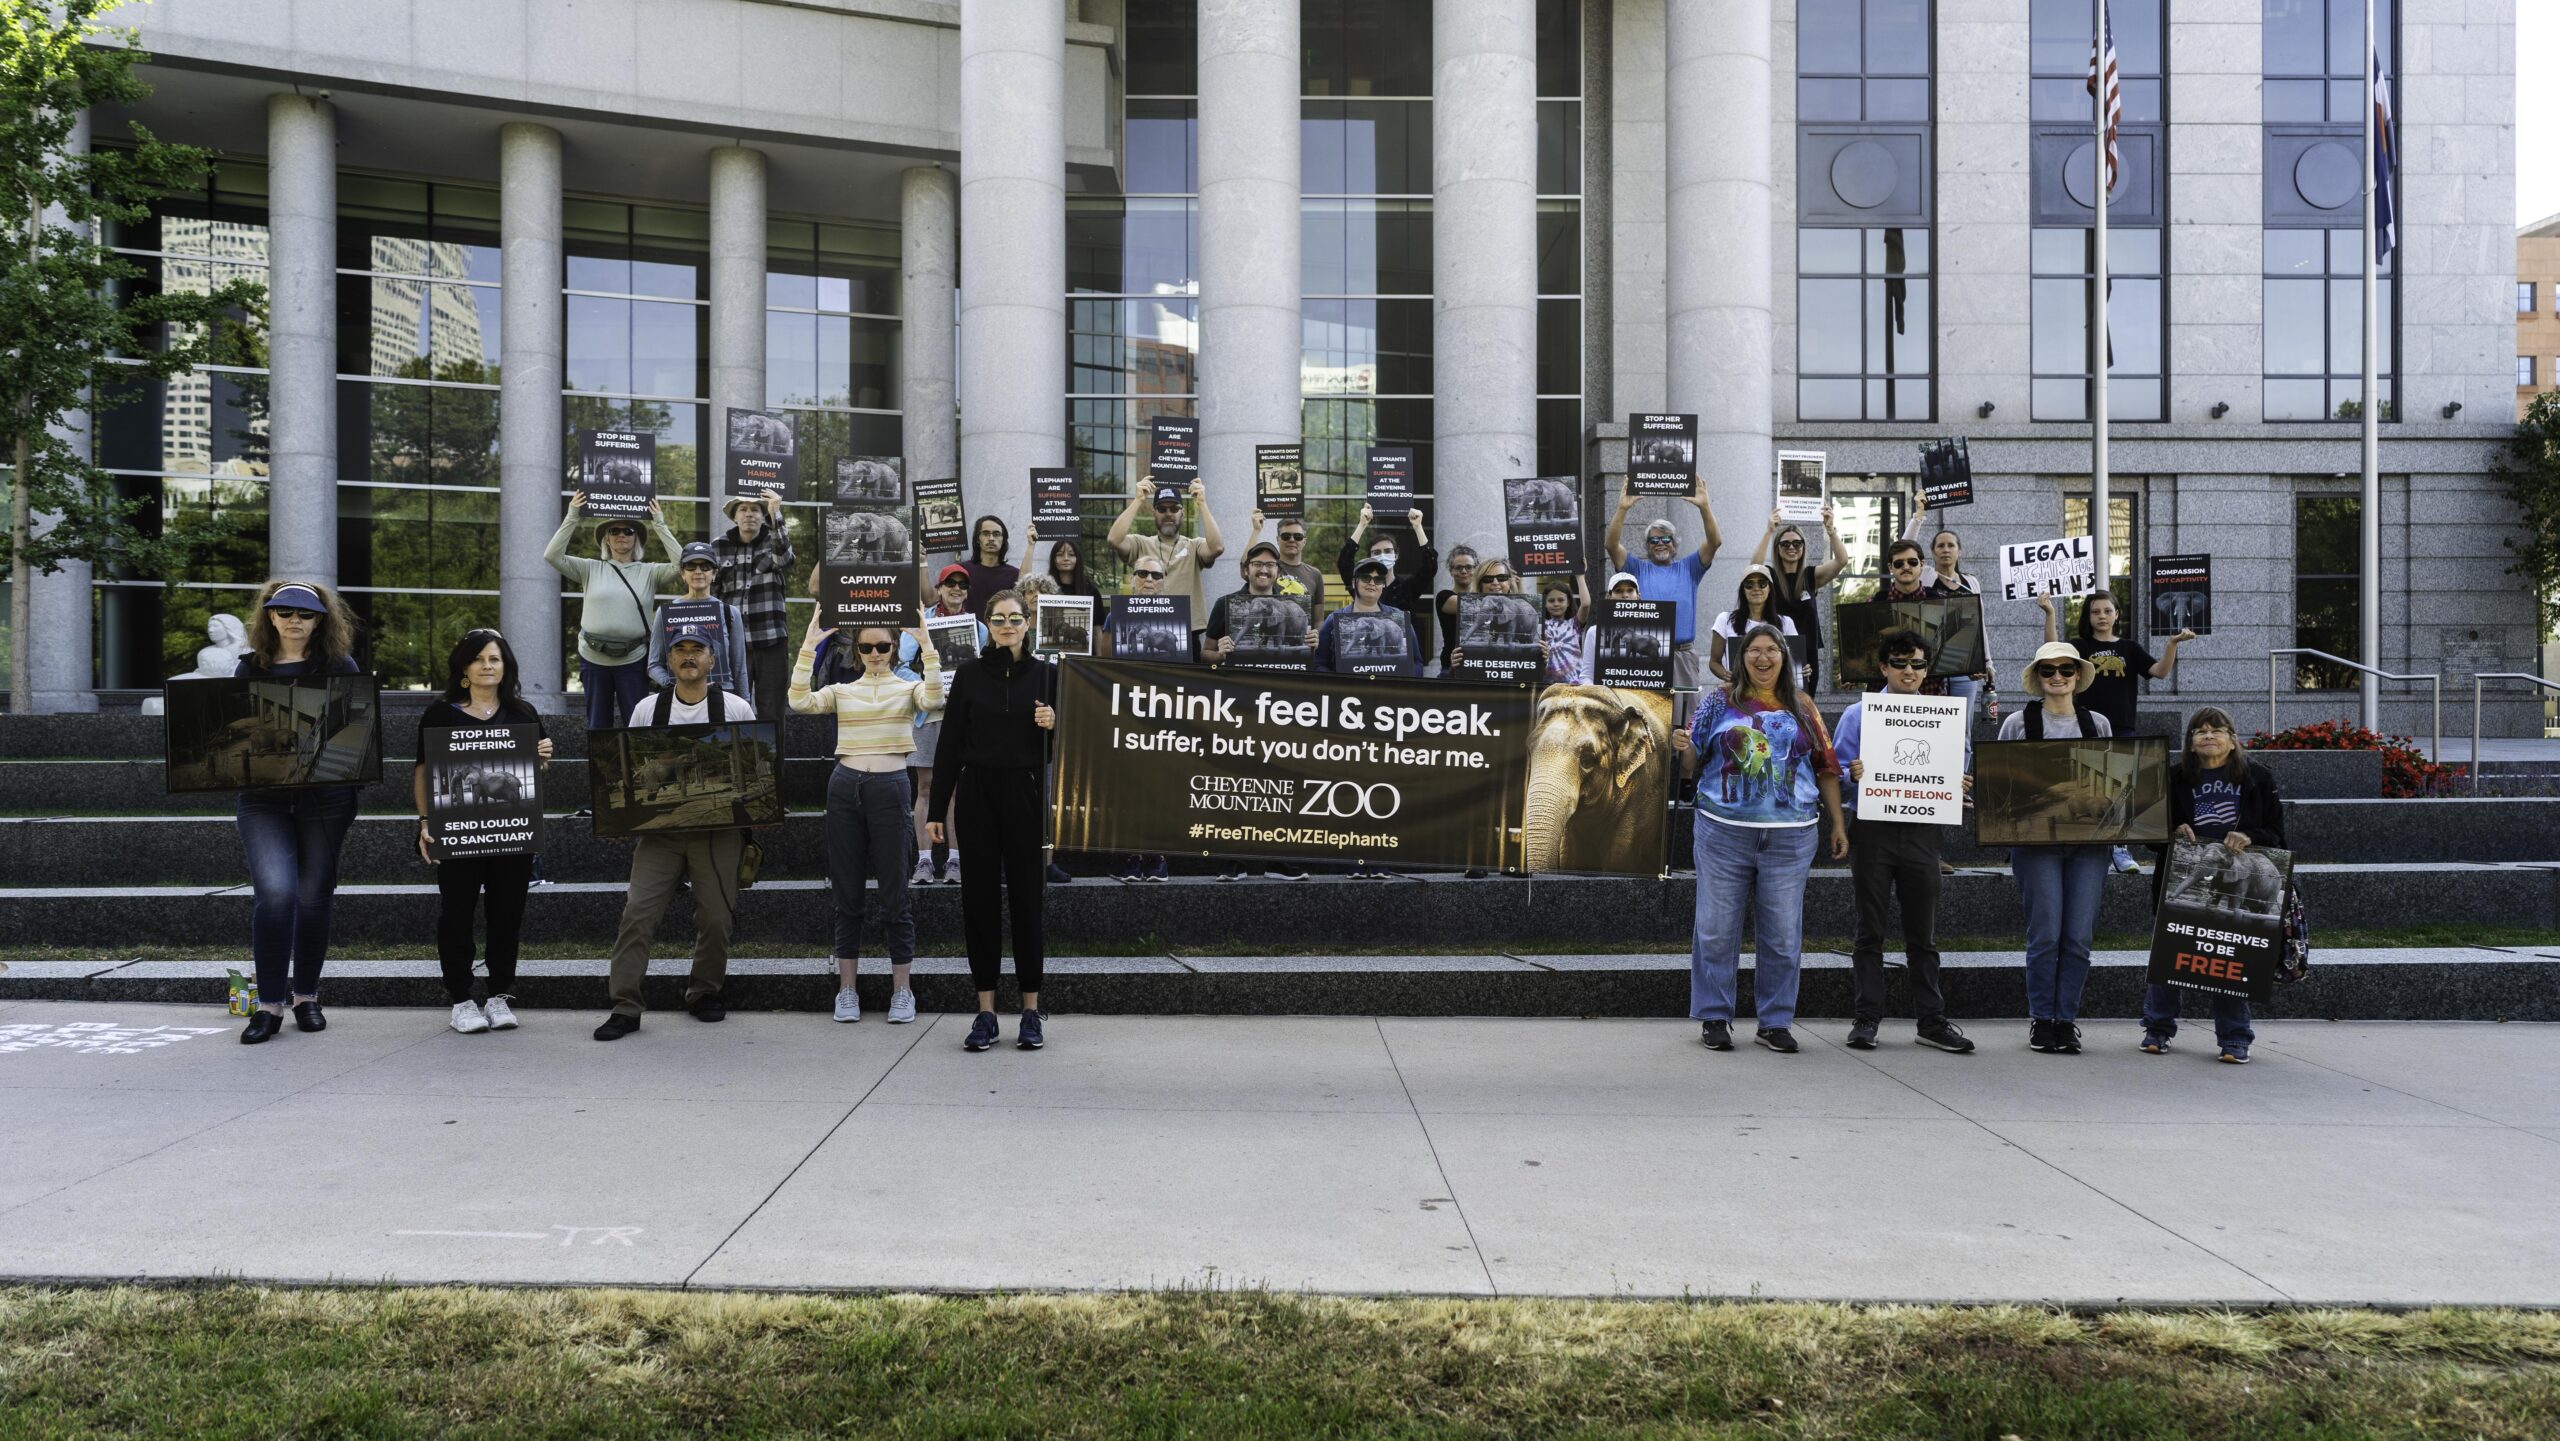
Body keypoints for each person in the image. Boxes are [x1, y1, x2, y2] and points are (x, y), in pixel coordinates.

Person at [1672, 622, 1848, 1055]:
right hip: (1722, 833)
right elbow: (1690, 766)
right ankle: (1715, 1016)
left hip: (1791, 838)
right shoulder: (1717, 702)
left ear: (1784, 658)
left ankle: (1775, 1021)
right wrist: (1681, 746)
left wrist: (1838, 822)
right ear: (1741, 656)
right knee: (1714, 929)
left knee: (1783, 935)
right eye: (1755, 650)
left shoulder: (1802, 706)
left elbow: (1826, 767)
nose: (1763, 658)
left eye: (1772, 650)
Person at [592, 625, 758, 1042]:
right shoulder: (648, 708)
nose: (688, 656)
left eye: (697, 650)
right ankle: (625, 1006)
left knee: (717, 918)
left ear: (712, 660)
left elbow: (756, 769)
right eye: (679, 650)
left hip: (720, 831)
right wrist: (619, 818)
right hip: (659, 834)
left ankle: (704, 993)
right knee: (637, 914)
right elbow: (628, 772)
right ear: (668, 662)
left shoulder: (736, 707)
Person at [792, 604, 944, 1026]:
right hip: (845, 785)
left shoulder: (907, 687)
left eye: (883, 645)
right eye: (867, 646)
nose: (875, 652)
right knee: (847, 894)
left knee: (896, 892)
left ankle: (902, 991)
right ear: (857, 651)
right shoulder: (843, 690)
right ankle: (847, 990)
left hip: (891, 785)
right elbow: (799, 701)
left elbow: (935, 698)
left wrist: (927, 642)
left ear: (894, 648)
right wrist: (808, 646)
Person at [232, 580, 367, 1045]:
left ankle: (306, 997)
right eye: (284, 611)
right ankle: (268, 1005)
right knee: (275, 894)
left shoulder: (340, 666)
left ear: (319, 620)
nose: (294, 620)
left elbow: (356, 734)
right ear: (269, 617)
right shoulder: (249, 667)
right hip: (263, 799)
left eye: (304, 614)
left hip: (326, 797)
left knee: (313, 898)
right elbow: (230, 731)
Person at [1830, 627, 1974, 1054]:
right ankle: (1866, 1018)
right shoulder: (1859, 715)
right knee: (1869, 930)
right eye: (1900, 663)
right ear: (1883, 668)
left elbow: (1957, 771)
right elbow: (1835, 771)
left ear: (1926, 669)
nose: (1909, 671)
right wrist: (1850, 774)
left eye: (1917, 664)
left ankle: (1931, 1020)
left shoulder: (1945, 717)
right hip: (1872, 828)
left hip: (1922, 833)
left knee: (1922, 934)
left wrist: (1960, 783)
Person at [929, 590, 1059, 1052]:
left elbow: (1071, 744)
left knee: (1027, 902)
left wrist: (1053, 723)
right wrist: (935, 809)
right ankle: (985, 1012)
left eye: (1016, 618)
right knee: (978, 903)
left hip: (1024, 791)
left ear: (1028, 624)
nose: (1007, 625)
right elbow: (948, 746)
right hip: (977, 794)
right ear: (986, 623)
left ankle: (1029, 1010)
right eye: (999, 618)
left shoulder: (1047, 675)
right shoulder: (967, 674)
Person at [415, 628, 553, 1035]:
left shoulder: (523, 713)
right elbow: (423, 771)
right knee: (456, 915)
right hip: (457, 835)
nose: (487, 666)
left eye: (495, 659)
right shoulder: (440, 713)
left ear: (505, 665)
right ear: (463, 667)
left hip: (510, 834)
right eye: (479, 659)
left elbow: (534, 774)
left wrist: (542, 758)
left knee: (507, 914)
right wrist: (426, 823)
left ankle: (498, 994)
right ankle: (461, 999)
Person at [2143, 706, 2285, 1065]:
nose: (2208, 736)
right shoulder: (2172, 779)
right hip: (2186, 868)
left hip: (2242, 875)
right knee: (2169, 958)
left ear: (2233, 741)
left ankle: (2235, 1038)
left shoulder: (2258, 778)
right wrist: (2172, 831)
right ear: (2190, 744)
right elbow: (2148, 836)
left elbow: (2278, 836)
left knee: (2229, 961)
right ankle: (2157, 1030)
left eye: (2217, 730)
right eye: (2200, 731)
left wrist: (2250, 836)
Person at [1998, 640, 2112, 1056]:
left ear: (2078, 677)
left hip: (2088, 844)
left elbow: (2110, 779)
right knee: (2044, 934)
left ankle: (2067, 1020)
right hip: (2035, 843)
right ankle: (2042, 1019)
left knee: (2078, 936)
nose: (2058, 678)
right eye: (2049, 671)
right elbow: (2003, 781)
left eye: (2066, 670)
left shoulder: (2097, 722)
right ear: (2039, 678)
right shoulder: (2016, 723)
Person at [2038, 588, 2195, 873]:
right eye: (2096, 611)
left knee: (2122, 789)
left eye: (2107, 611)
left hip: (2122, 728)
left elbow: (2159, 671)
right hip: (2086, 727)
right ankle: (2085, 841)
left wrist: (2172, 643)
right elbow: (2053, 652)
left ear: (2117, 615)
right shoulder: (2080, 646)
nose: (2102, 616)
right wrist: (2050, 613)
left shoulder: (2129, 648)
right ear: (2088, 616)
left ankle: (2119, 846)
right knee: (2088, 787)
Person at [545, 496, 684, 728]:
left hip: (634, 658)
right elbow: (552, 555)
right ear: (606, 539)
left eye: (628, 531)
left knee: (638, 721)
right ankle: (601, 766)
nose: (621, 534)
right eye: (614, 531)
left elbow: (682, 564)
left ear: (635, 538)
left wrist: (659, 523)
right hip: (593, 657)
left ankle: (638, 765)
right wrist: (572, 516)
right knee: (597, 723)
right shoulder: (590, 568)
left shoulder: (649, 572)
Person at [898, 563, 988, 886]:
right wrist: (928, 687)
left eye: (962, 585)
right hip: (929, 716)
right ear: (938, 588)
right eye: (950, 583)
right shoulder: (922, 623)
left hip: (962, 720)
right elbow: (900, 666)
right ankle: (923, 861)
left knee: (955, 792)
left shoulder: (978, 629)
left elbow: (984, 671)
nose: (956, 589)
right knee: (925, 787)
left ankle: (955, 860)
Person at [1605, 480, 1723, 703]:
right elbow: (1611, 545)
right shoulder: (1636, 568)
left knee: (1684, 724)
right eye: (1654, 540)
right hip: (1645, 656)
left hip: (1682, 657)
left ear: (1674, 544)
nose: (1660, 543)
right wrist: (1622, 508)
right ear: (1647, 546)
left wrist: (1704, 507)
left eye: (1666, 538)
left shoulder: (1690, 568)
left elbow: (1714, 542)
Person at [1100, 555, 1178, 880]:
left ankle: (1157, 856)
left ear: (1163, 581)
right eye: (1142, 573)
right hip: (1126, 712)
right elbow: (1103, 661)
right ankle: (1130, 855)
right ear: (1132, 579)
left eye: (1155, 575)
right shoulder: (1113, 617)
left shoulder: (1177, 615)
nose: (1148, 579)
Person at [1904, 493, 1995, 712]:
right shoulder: (1925, 575)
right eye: (1940, 546)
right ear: (1932, 553)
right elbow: (1903, 546)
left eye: (1951, 545)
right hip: (1932, 668)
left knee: (1962, 727)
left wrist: (1987, 662)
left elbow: (1978, 626)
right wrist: (1919, 515)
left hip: (1965, 667)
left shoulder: (1971, 582)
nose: (1946, 549)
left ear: (1959, 551)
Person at [713, 486, 797, 722]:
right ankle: (738, 758)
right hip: (733, 643)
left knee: (772, 711)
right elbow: (713, 594)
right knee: (731, 709)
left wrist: (775, 512)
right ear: (734, 516)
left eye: (755, 510)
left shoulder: (775, 540)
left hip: (771, 640)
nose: (749, 514)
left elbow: (785, 558)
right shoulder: (718, 546)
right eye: (743, 509)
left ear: (763, 516)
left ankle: (774, 759)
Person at [1751, 504, 1847, 692]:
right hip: (1773, 651)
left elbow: (1841, 560)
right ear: (1777, 549)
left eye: (1797, 543)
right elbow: (1754, 566)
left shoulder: (1811, 576)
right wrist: (1769, 531)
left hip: (1806, 655)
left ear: (1803, 547)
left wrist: (1830, 529)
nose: (1791, 547)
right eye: (1785, 544)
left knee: (1803, 708)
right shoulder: (1770, 576)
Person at [1108, 476, 1226, 626]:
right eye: (1162, 509)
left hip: (1187, 632)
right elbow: (1114, 540)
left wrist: (1202, 503)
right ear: (1154, 513)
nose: (1168, 513)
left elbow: (1217, 547)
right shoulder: (1141, 543)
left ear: (1182, 513)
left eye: (1174, 509)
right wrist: (1138, 500)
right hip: (1148, 628)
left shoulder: (1194, 546)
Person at [1338, 503, 1438, 662]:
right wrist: (1362, 525)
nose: (1382, 555)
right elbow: (1344, 562)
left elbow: (1430, 566)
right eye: (1376, 552)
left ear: (1396, 555)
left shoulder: (1407, 588)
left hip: (1401, 660)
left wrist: (1418, 527)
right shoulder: (1361, 586)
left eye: (1388, 551)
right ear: (1370, 556)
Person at [646, 541, 751, 692]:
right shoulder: (666, 613)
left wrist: (744, 707)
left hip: (722, 697)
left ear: (714, 573)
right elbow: (654, 665)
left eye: (705, 567)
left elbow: (739, 668)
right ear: (682, 573)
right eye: (690, 566)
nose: (698, 571)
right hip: (681, 699)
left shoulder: (730, 613)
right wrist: (674, 684)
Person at [1203, 542, 1317, 665]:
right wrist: (1220, 655)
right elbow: (1205, 654)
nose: (1263, 570)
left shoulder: (1289, 605)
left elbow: (1306, 660)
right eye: (1257, 564)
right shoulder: (1223, 604)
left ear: (1278, 572)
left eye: (1270, 564)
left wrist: (1313, 646)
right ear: (1246, 570)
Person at [1315, 551, 1422, 677]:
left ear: (1383, 586)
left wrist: (1402, 678)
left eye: (1378, 580)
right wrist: (1338, 682)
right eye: (1366, 578)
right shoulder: (1333, 619)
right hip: (1348, 695)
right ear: (1354, 582)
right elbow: (1318, 664)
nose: (1372, 583)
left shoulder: (1400, 617)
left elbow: (1417, 663)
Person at [1706, 564, 1803, 684]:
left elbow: (1794, 662)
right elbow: (1714, 662)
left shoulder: (1786, 623)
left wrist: (1801, 671)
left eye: (1762, 583)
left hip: (1776, 693)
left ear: (1770, 589)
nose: (1756, 588)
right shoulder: (1725, 620)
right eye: (1749, 584)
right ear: (1743, 590)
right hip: (1738, 692)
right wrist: (1727, 675)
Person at [1251, 512, 1326, 618]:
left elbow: (1318, 620)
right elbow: (1245, 565)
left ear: (1304, 541)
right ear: (1277, 539)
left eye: (1298, 536)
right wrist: (1256, 531)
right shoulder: (1267, 568)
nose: (1292, 540)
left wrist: (1317, 634)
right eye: (1286, 536)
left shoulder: (1315, 574)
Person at [1431, 544, 1481, 674]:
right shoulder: (1444, 596)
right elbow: (1471, 607)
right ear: (1451, 570)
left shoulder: (1483, 597)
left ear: (1476, 569)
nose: (1464, 571)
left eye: (1469, 567)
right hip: (1451, 666)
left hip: (1480, 663)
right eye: (1458, 567)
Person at [960, 513, 1021, 618]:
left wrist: (1031, 545)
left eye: (996, 534)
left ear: (1003, 540)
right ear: (977, 539)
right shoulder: (963, 570)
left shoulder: (1013, 574)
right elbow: (931, 599)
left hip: (1001, 632)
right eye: (986, 533)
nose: (991, 538)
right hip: (971, 631)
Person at [1537, 577, 1590, 684]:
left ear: (1568, 602)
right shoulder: (1540, 626)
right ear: (1545, 603)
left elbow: (1585, 604)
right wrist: (1517, 584)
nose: (1556, 604)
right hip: (1547, 684)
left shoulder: (1574, 623)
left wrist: (1580, 576)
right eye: (1551, 600)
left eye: (1561, 600)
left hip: (1574, 683)